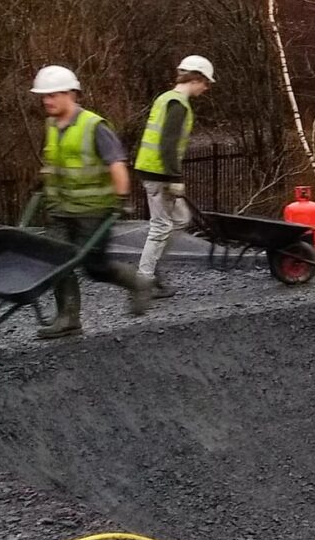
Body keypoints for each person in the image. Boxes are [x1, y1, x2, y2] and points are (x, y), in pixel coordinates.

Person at [32, 65, 151, 339]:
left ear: (71, 94)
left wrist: (121, 199)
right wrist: (42, 181)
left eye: (54, 95)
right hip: (61, 207)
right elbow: (55, 160)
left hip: (93, 210)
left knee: (95, 267)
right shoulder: (51, 124)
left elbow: (117, 164)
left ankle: (138, 283)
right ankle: (68, 318)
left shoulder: (94, 126)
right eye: (45, 96)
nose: (47, 101)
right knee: (57, 261)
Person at [133, 56, 215, 297]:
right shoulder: (177, 104)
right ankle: (144, 281)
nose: (206, 88)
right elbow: (167, 144)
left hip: (155, 170)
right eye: (205, 83)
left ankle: (153, 266)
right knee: (161, 227)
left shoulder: (166, 98)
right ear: (196, 78)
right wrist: (174, 178)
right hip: (158, 173)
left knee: (181, 218)